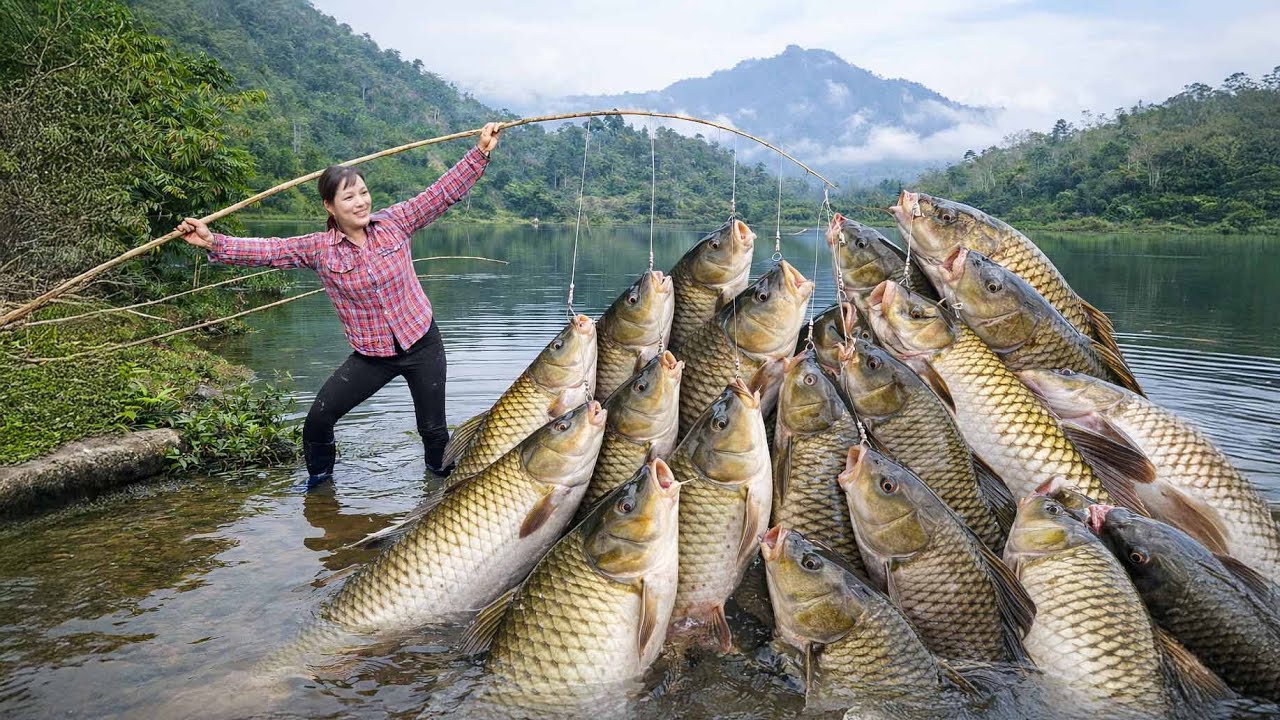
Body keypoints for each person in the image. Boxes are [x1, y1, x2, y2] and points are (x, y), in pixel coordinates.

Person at [178, 122, 502, 490]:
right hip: (372, 355)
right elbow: (269, 251)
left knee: (433, 430)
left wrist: (481, 152)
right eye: (348, 198)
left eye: (363, 193)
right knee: (318, 419)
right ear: (329, 206)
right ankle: (320, 486)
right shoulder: (319, 248)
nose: (361, 202)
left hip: (423, 343)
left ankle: (442, 488)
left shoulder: (396, 223)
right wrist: (212, 242)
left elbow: (441, 193)